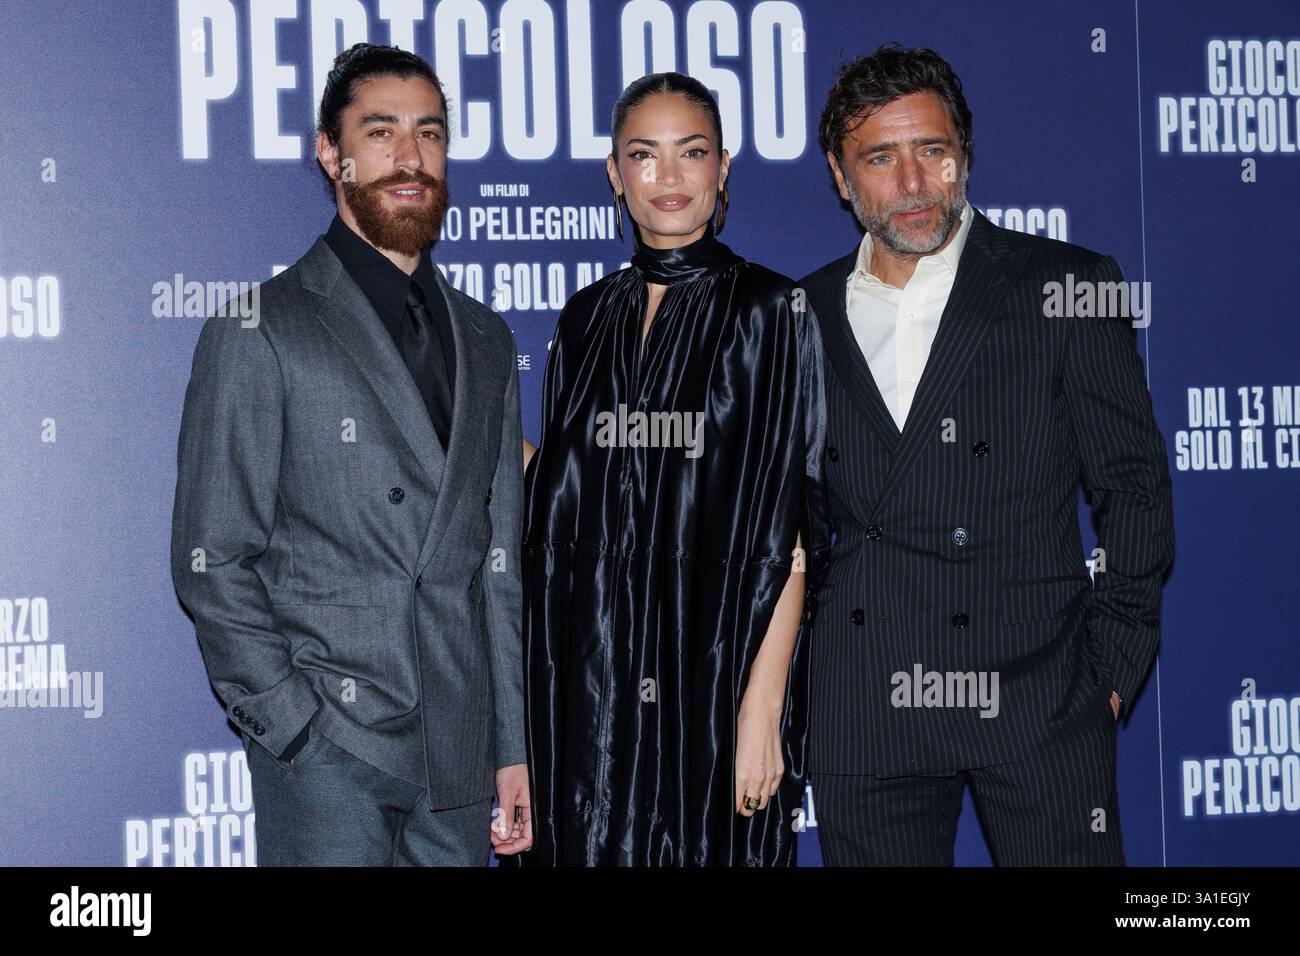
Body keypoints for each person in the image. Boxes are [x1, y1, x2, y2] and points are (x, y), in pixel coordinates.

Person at [797, 44, 1174, 866]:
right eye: (880, 158)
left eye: (932, 150)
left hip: (1039, 691)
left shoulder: (1068, 283)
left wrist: (1109, 668)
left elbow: (1135, 487)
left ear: (963, 153)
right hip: (868, 696)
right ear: (839, 175)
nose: (914, 182)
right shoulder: (801, 313)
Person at [170, 43, 531, 865]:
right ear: (331, 154)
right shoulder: (260, 327)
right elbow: (212, 558)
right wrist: (293, 729)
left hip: (459, 761)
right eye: (381, 132)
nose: (410, 158)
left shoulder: (486, 336)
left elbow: (498, 570)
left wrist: (511, 744)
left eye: (430, 133)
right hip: (329, 758)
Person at [515, 72, 830, 866]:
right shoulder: (588, 317)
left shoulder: (771, 311)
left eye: (691, 153)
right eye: (643, 156)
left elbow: (790, 528)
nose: (668, 178)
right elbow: (561, 496)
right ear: (614, 175)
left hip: (715, 678)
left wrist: (761, 708)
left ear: (724, 167)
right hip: (591, 687)